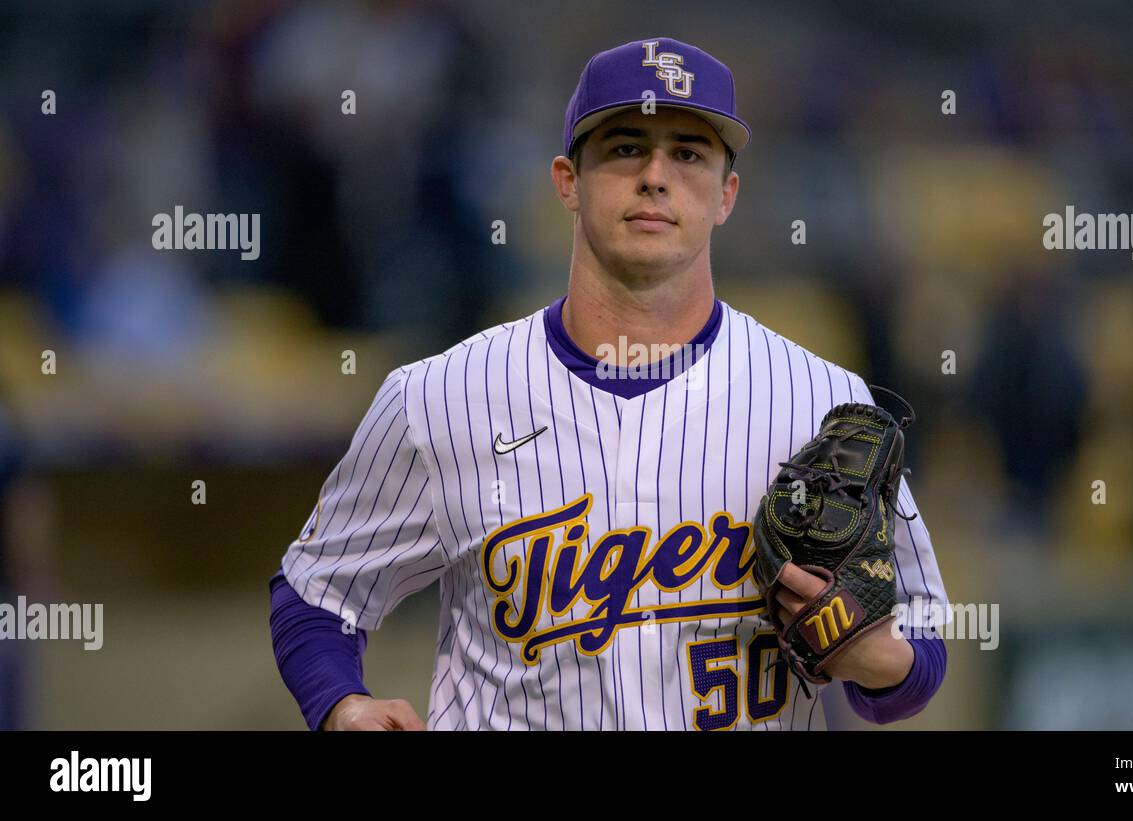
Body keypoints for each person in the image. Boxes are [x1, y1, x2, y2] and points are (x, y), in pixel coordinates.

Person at [270, 37, 949, 730]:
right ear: (568, 180)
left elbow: (920, 641)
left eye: (688, 154)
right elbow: (317, 592)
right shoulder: (438, 398)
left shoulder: (820, 399)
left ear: (727, 194)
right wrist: (339, 703)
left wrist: (883, 664)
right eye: (626, 148)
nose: (656, 176)